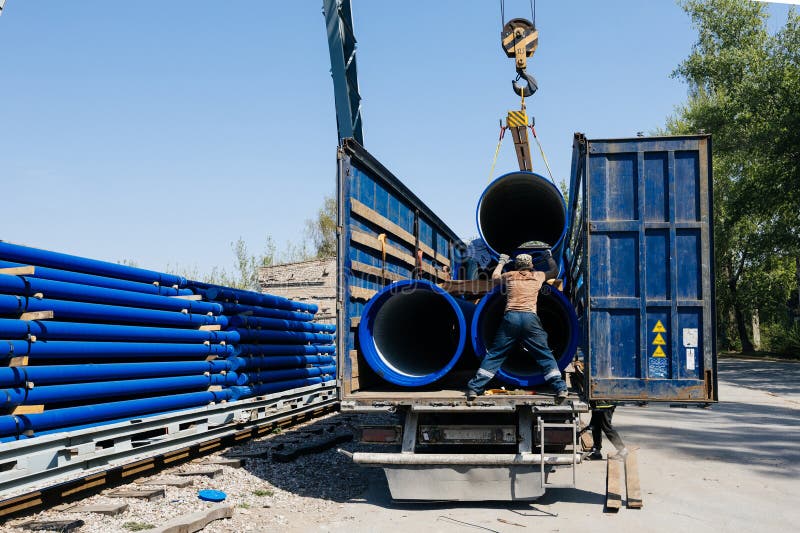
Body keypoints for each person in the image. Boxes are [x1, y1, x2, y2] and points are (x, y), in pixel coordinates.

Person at [466, 251, 568, 403]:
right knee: (544, 353)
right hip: (530, 319)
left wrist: (501, 261)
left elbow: (494, 278)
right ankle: (560, 388)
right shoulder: (538, 276)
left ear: (516, 265)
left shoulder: (510, 276)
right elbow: (554, 271)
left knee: (496, 353)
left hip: (511, 318)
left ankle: (475, 388)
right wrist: (548, 257)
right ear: (531, 265)